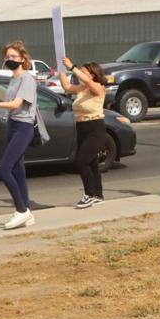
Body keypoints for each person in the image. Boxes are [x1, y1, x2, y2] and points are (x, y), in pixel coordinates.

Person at [0, 41, 40, 230]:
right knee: (18, 172)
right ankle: (27, 213)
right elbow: (8, 100)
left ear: (22, 59)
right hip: (12, 125)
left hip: (23, 127)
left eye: (13, 56)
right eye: (7, 57)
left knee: (3, 169)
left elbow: (15, 105)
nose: (9, 59)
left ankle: (21, 210)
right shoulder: (14, 79)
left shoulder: (27, 78)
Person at [58, 57, 108, 208]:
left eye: (83, 72)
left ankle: (89, 194)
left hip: (95, 128)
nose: (79, 73)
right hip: (82, 127)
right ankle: (98, 195)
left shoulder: (98, 87)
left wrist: (72, 66)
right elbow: (66, 86)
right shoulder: (82, 89)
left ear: (92, 75)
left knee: (82, 161)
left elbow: (88, 82)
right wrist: (61, 69)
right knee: (92, 164)